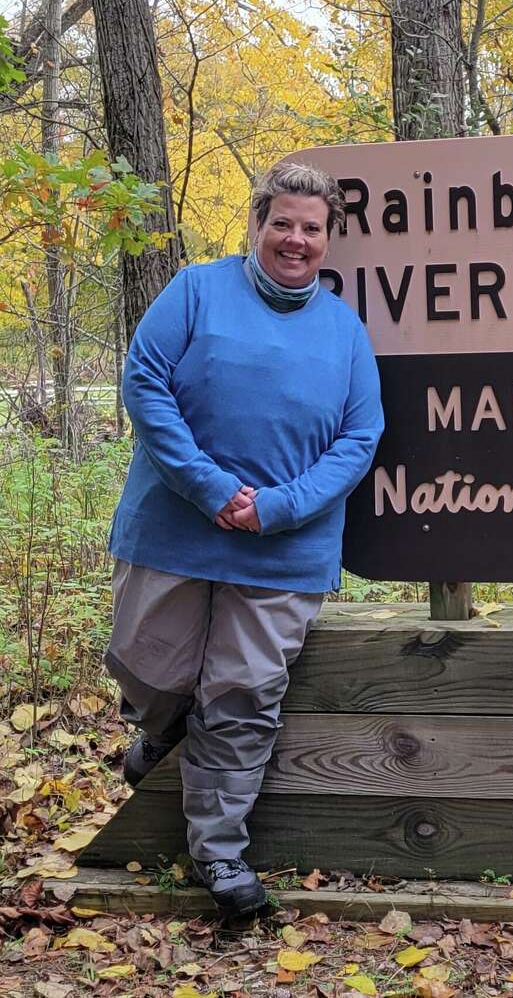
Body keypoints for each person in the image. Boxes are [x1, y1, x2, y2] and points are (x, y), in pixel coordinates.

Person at [106, 162, 384, 916]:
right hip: (172, 529)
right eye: (281, 222)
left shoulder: (344, 329)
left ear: (329, 239)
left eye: (311, 228)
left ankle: (219, 856)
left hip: (284, 551)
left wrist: (279, 507)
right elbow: (144, 381)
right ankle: (159, 735)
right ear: (257, 223)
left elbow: (360, 438)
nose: (295, 239)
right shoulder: (196, 290)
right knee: (147, 668)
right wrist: (210, 487)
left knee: (241, 698)